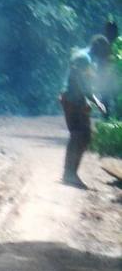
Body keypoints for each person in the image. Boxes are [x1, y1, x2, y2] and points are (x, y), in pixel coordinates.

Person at [59, 35, 109, 188]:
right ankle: (70, 173)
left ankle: (69, 172)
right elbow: (76, 80)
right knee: (82, 134)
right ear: (98, 46)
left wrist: (96, 102)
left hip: (72, 98)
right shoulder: (83, 57)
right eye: (104, 50)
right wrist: (86, 101)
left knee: (78, 134)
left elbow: (85, 85)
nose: (104, 54)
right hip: (73, 99)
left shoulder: (85, 57)